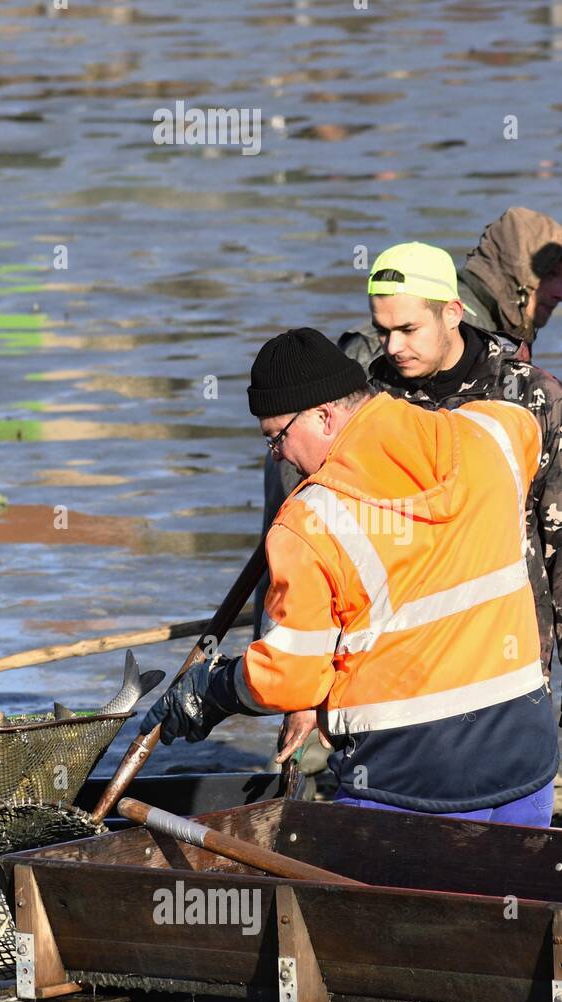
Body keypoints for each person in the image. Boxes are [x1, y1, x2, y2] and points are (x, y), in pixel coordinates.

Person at [144, 328, 558, 827]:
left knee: (354, 879)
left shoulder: (308, 522)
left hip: (406, 776)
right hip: (525, 754)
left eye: (276, 437)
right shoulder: (493, 434)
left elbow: (290, 675)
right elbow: (524, 430)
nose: (276, 455)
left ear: (324, 416)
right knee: (514, 879)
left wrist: (214, 689)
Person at [261, 241, 562, 766]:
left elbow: (557, 540)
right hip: (394, 673)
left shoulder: (528, 396)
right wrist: (305, 691)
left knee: (506, 793)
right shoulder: (366, 399)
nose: (393, 346)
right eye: (382, 331)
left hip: (507, 651)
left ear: (452, 313)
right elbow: (322, 552)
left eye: (408, 329)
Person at [339, 208, 562, 367]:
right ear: (514, 272)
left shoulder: (498, 332)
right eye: (550, 275)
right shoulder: (468, 332)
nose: (559, 292)